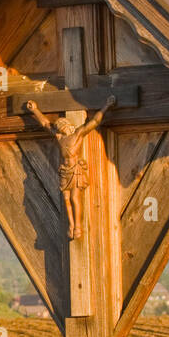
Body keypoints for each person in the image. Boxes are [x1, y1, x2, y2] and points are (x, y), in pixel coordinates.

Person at [24, 96, 115, 240]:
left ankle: (78, 226)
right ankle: (71, 225)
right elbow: (46, 124)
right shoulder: (60, 138)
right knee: (66, 198)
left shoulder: (77, 135)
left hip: (75, 170)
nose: (62, 129)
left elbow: (94, 122)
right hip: (65, 172)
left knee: (74, 197)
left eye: (64, 126)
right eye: (60, 127)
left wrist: (106, 105)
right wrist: (35, 110)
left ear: (68, 126)